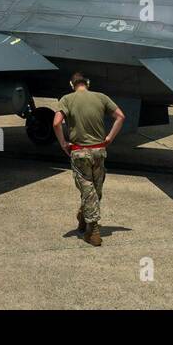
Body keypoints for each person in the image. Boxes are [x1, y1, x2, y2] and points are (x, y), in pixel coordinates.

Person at [52, 71, 126, 247]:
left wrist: (63, 143)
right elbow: (120, 117)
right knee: (95, 190)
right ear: (88, 83)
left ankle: (92, 231)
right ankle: (86, 217)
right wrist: (109, 138)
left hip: (79, 153)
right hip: (99, 152)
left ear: (72, 85)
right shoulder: (101, 97)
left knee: (88, 190)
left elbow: (56, 123)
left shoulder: (66, 99)